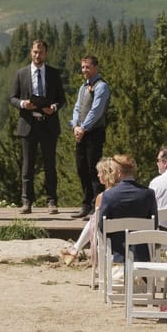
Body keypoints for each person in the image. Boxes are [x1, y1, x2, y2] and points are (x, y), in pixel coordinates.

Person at [11, 39, 63, 212]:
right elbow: (12, 97)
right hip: (28, 124)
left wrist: (53, 108)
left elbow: (61, 99)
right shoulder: (21, 73)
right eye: (34, 52)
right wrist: (23, 104)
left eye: (40, 52)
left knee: (50, 165)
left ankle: (51, 201)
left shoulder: (54, 74)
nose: (37, 55)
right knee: (27, 166)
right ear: (30, 53)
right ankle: (26, 201)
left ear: (45, 53)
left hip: (48, 125)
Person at [95, 153, 157, 264]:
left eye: (112, 170)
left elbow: (102, 227)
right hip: (142, 252)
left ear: (118, 173)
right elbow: (154, 224)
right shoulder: (148, 194)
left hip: (117, 251)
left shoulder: (108, 195)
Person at [70, 55, 111, 218]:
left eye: (87, 67)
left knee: (94, 170)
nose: (84, 70)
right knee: (82, 169)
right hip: (81, 133)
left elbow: (96, 110)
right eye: (82, 67)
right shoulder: (83, 87)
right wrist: (75, 126)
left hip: (94, 133)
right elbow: (77, 108)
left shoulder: (101, 87)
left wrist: (84, 128)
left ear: (95, 67)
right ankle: (86, 204)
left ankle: (97, 206)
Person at [63, 157, 120, 262]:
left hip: (108, 240)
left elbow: (95, 224)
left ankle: (76, 248)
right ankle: (76, 248)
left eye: (99, 172)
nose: (98, 175)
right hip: (126, 238)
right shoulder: (123, 194)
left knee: (94, 219)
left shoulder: (103, 197)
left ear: (106, 173)